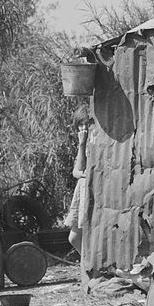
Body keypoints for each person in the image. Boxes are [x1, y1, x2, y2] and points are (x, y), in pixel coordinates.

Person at [64, 109, 90, 254]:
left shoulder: (97, 143)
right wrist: (81, 145)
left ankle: (92, 268)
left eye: (86, 124)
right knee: (74, 238)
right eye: (80, 125)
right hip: (81, 193)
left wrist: (84, 174)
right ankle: (88, 266)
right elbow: (76, 171)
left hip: (91, 193)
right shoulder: (84, 144)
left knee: (86, 236)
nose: (83, 129)